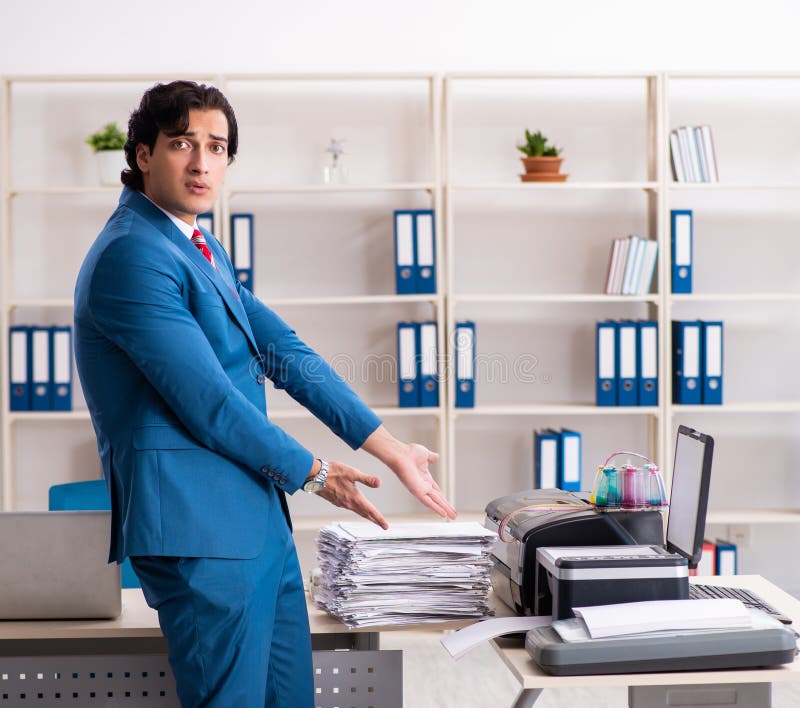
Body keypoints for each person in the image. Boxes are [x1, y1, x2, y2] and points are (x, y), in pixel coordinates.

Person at [74, 80, 456, 708]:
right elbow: (209, 402)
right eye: (181, 144)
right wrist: (316, 473)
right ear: (143, 154)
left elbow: (284, 352)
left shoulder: (195, 243)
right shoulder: (133, 255)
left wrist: (388, 446)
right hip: (201, 535)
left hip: (256, 523)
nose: (202, 163)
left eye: (217, 147)